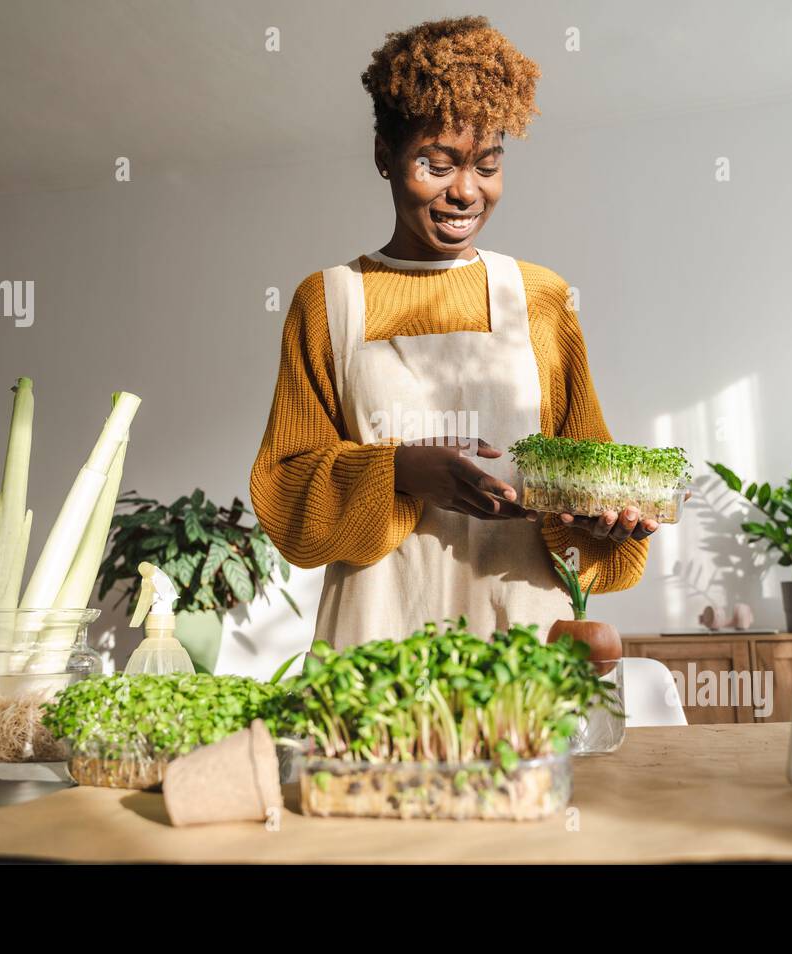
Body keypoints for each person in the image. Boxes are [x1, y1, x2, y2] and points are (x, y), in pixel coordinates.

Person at [251, 16, 662, 649]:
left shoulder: (542, 297)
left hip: (519, 640)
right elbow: (286, 495)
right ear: (385, 157)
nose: (467, 192)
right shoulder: (327, 300)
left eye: (488, 166)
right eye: (437, 165)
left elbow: (584, 478)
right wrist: (400, 471)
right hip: (375, 644)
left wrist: (606, 519)